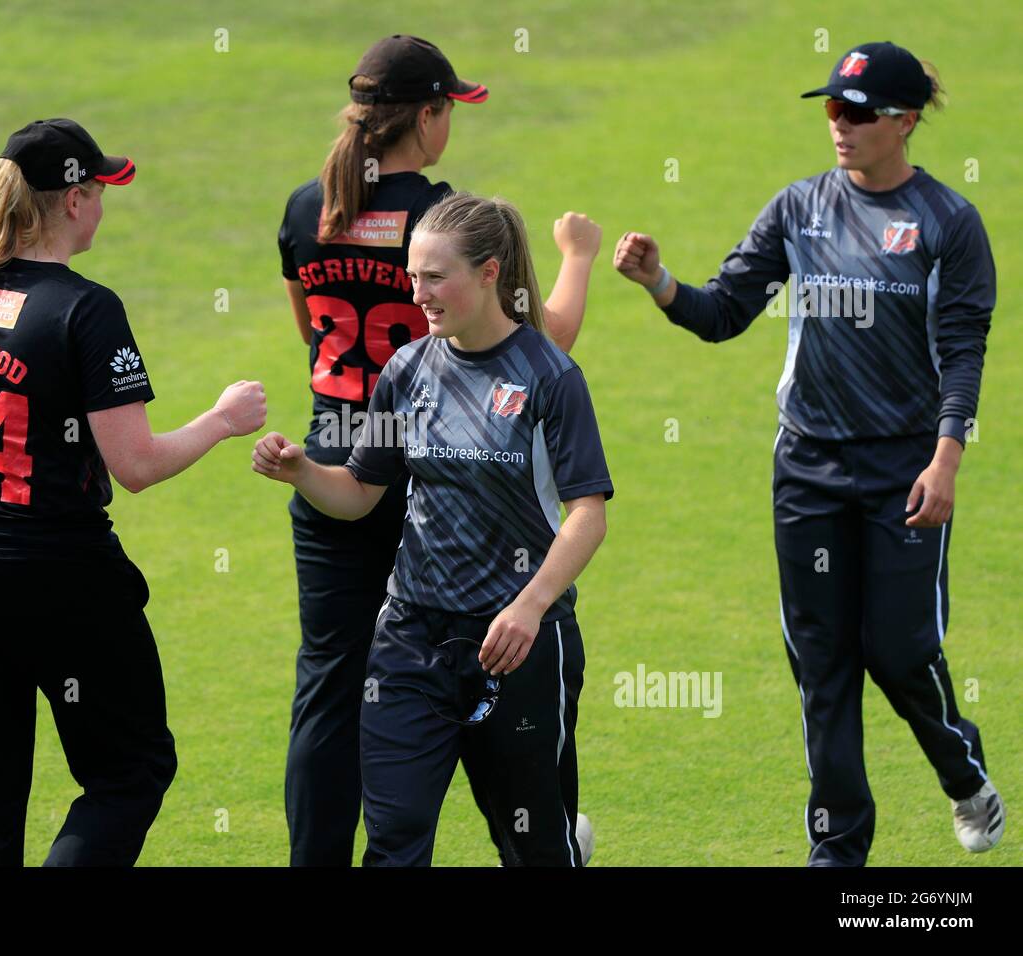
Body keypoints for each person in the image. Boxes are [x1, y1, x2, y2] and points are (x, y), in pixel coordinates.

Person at [612, 41, 1001, 865]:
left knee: (898, 652)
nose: (840, 125)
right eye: (831, 108)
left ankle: (963, 776)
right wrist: (659, 282)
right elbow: (724, 312)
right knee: (823, 666)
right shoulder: (798, 208)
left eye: (856, 113)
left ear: (903, 122)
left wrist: (947, 458)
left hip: (905, 470)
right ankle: (838, 850)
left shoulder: (947, 224)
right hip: (810, 471)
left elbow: (964, 349)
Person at [0, 119, 267, 866]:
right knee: (130, 769)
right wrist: (221, 420)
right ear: (76, 200)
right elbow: (138, 466)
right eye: (100, 192)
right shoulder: (85, 308)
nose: (103, 207)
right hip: (60, 581)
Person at [277, 34, 601, 866]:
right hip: (427, 462)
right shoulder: (441, 217)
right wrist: (576, 260)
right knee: (499, 655)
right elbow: (540, 343)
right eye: (447, 108)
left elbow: (310, 331)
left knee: (328, 686)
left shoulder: (305, 210)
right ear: (428, 115)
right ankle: (547, 828)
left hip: (339, 442)